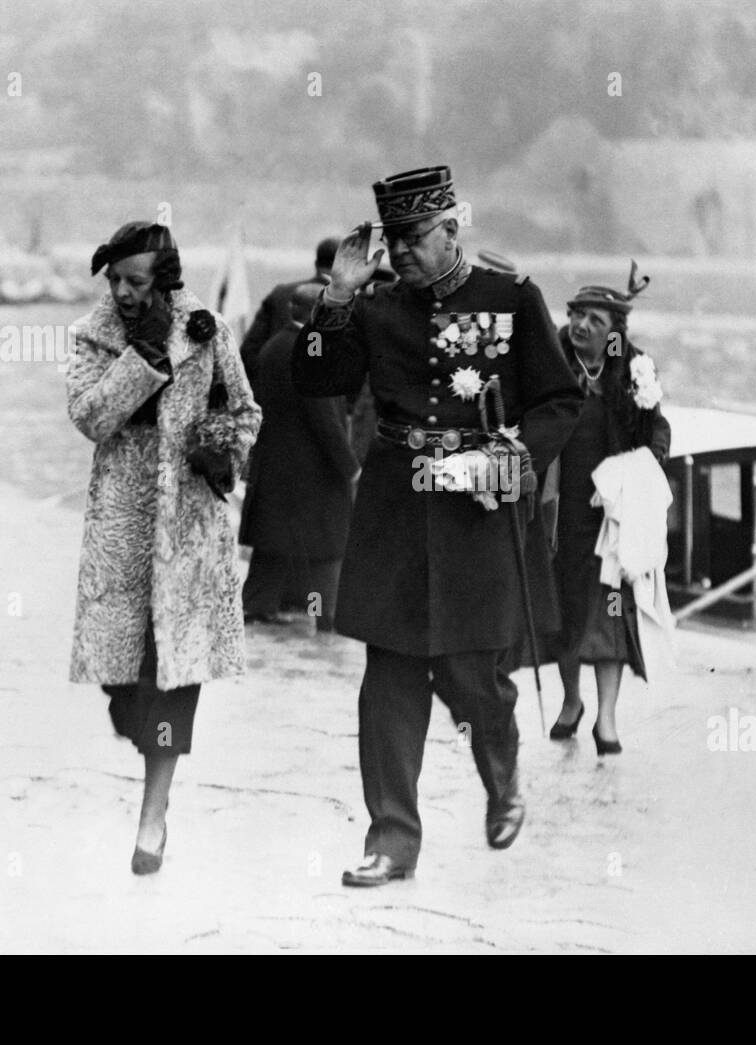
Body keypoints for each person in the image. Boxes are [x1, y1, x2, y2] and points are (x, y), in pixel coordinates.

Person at [293, 165, 582, 886]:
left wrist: (510, 456)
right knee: (389, 673)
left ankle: (501, 765)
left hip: (475, 513)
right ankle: (392, 838)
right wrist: (337, 295)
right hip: (395, 507)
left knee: (468, 670)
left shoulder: (509, 299)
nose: (403, 253)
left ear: (452, 228)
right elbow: (314, 379)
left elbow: (559, 402)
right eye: (393, 241)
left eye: (415, 238)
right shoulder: (375, 307)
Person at [66, 221, 260, 874]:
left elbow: (247, 410)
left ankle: (154, 812)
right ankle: (139, 738)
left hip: (190, 532)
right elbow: (90, 417)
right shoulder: (94, 335)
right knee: (123, 690)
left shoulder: (208, 327)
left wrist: (219, 442)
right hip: (122, 532)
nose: (121, 292)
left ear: (165, 280)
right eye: (115, 279)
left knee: (172, 679)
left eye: (135, 281)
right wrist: (141, 363)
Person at [546, 273, 671, 754]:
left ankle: (608, 720)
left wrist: (651, 461)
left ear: (613, 331)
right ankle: (571, 701)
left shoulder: (635, 368)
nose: (580, 325)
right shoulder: (553, 359)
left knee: (609, 612)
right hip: (562, 506)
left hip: (613, 511)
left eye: (593, 320)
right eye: (576, 314)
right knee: (566, 610)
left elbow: (657, 426)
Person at [240, 282, 358, 630]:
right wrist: (350, 468)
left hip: (276, 464)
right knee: (324, 551)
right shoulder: (312, 350)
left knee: (272, 545)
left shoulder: (274, 345)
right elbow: (325, 419)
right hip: (312, 471)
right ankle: (323, 615)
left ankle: (256, 606)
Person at [240, 236, 339, 382]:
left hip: (273, 394)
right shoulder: (347, 303)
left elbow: (249, 350)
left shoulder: (280, 294)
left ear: (316, 264)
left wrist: (270, 386)